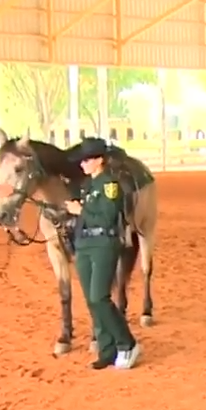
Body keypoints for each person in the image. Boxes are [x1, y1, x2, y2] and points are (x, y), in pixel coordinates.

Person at [65, 137, 141, 370]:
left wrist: (81, 211)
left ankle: (127, 343)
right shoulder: (87, 185)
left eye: (86, 160)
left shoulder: (110, 185)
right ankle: (107, 349)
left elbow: (106, 217)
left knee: (100, 297)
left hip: (103, 243)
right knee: (92, 300)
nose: (82, 165)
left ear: (99, 160)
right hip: (86, 244)